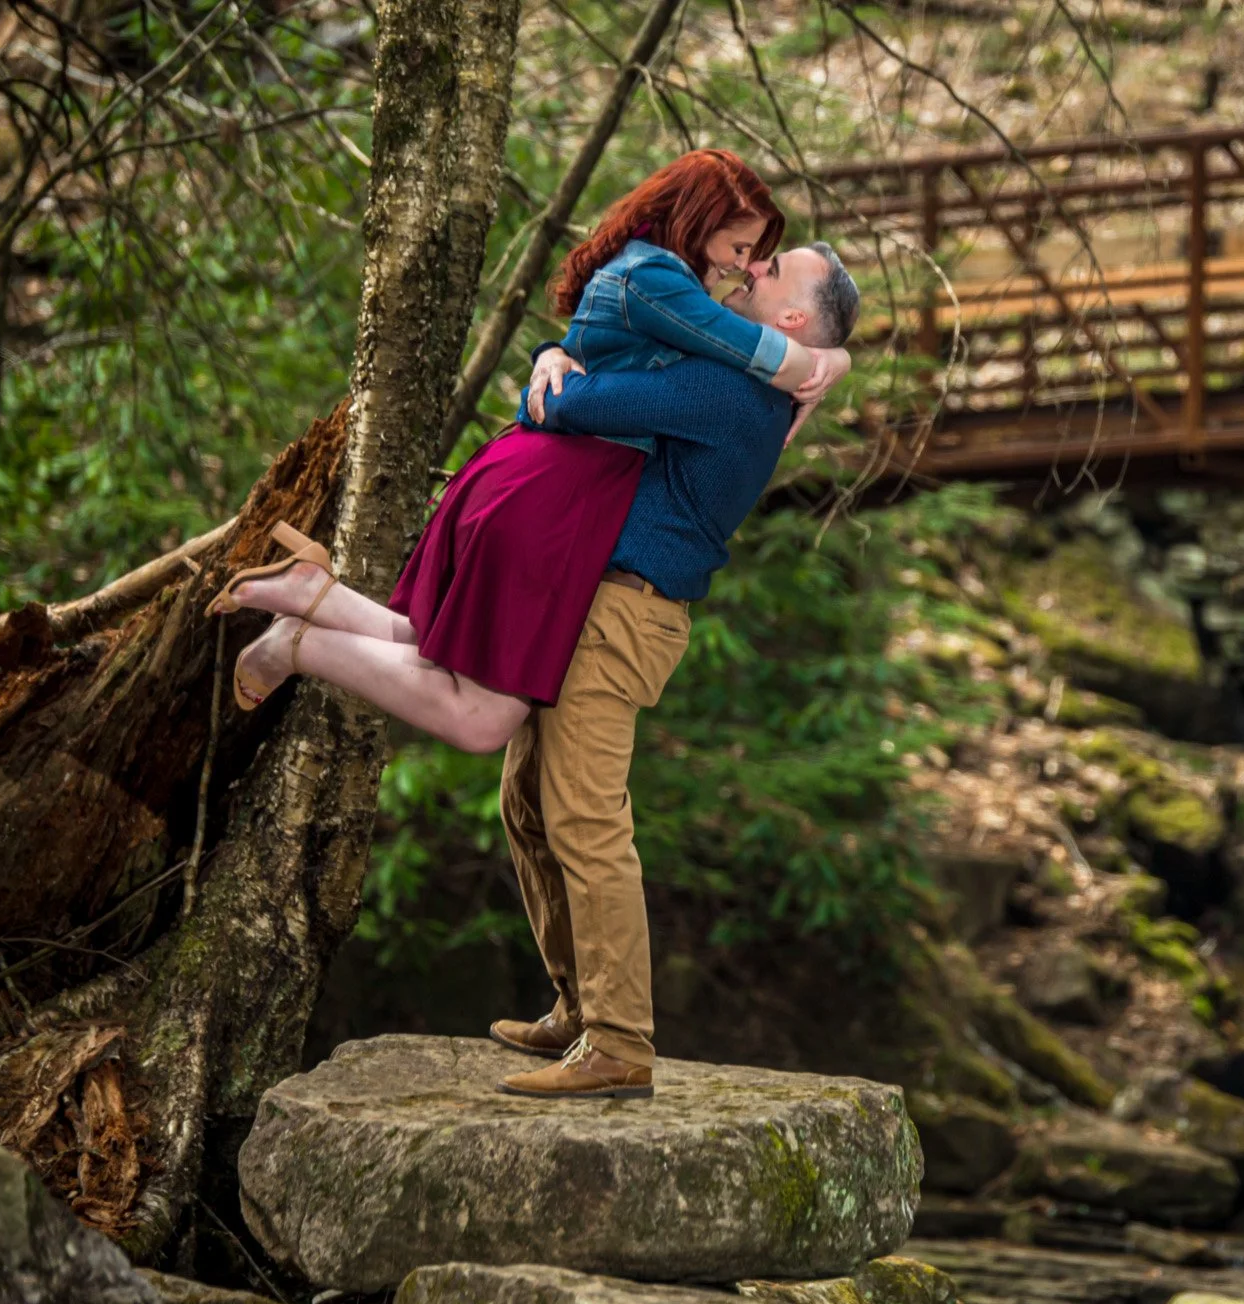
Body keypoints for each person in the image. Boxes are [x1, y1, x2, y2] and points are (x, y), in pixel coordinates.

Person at [210, 149, 848, 746]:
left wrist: (830, 357)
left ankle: (309, 591)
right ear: (700, 220)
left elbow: (609, 355)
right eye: (742, 246)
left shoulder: (652, 273)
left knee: (432, 640)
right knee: (484, 719)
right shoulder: (667, 288)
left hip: (533, 478)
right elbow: (731, 360)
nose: (747, 264)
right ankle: (298, 642)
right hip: (555, 491)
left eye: (761, 258)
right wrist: (823, 362)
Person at [489, 239, 861, 1099]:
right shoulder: (739, 372)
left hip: (624, 613)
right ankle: (579, 1004)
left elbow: (561, 408)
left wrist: (552, 364)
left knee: (583, 816)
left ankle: (619, 1041)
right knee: (527, 801)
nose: (748, 269)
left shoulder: (728, 387)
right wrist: (556, 352)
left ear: (791, 320)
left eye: (769, 271)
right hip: (592, 600)